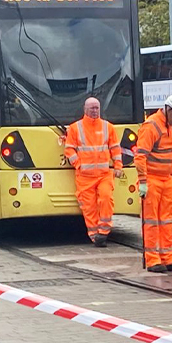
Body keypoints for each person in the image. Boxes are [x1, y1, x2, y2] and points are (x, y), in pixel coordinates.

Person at [135, 95, 172, 273]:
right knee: (152, 221)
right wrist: (143, 181)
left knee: (167, 221)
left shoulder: (171, 126)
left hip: (167, 179)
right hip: (152, 180)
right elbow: (140, 156)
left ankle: (168, 257)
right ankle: (153, 260)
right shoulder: (152, 126)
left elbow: (170, 154)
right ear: (168, 110)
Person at [63, 96, 124, 247]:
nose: (95, 110)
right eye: (92, 108)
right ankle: (94, 235)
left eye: (97, 108)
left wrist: (118, 166)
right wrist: (79, 164)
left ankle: (103, 232)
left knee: (106, 199)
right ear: (85, 109)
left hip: (104, 175)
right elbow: (69, 149)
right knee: (88, 207)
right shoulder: (75, 128)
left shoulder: (107, 127)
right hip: (84, 176)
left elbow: (115, 148)